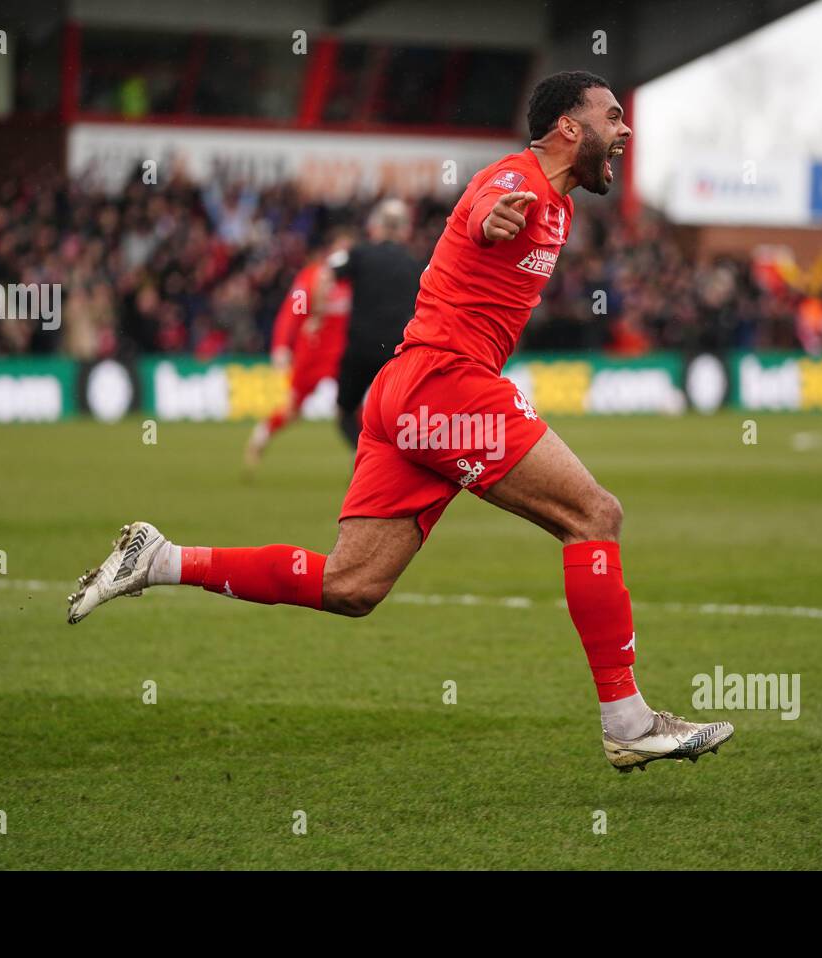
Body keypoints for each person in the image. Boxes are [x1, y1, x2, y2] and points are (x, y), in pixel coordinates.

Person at [67, 71, 734, 773]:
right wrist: (491, 217)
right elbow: (485, 205)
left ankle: (161, 559)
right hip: (445, 385)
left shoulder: (562, 207)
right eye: (613, 116)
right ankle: (628, 722)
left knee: (351, 587)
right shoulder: (518, 182)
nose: (624, 131)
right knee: (594, 515)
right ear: (570, 127)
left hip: (403, 393)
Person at [243, 231, 353, 470]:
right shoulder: (311, 277)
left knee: (352, 407)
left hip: (342, 355)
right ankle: (261, 434)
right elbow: (292, 313)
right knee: (293, 409)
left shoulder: (354, 280)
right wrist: (282, 346)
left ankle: (368, 457)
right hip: (312, 353)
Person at [329, 198, 423, 446]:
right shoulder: (414, 263)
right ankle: (388, 461)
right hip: (396, 351)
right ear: (405, 229)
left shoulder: (359, 254)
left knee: (344, 411)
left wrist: (315, 315)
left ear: (376, 226)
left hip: (360, 348)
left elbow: (328, 272)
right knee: (395, 416)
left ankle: (363, 454)